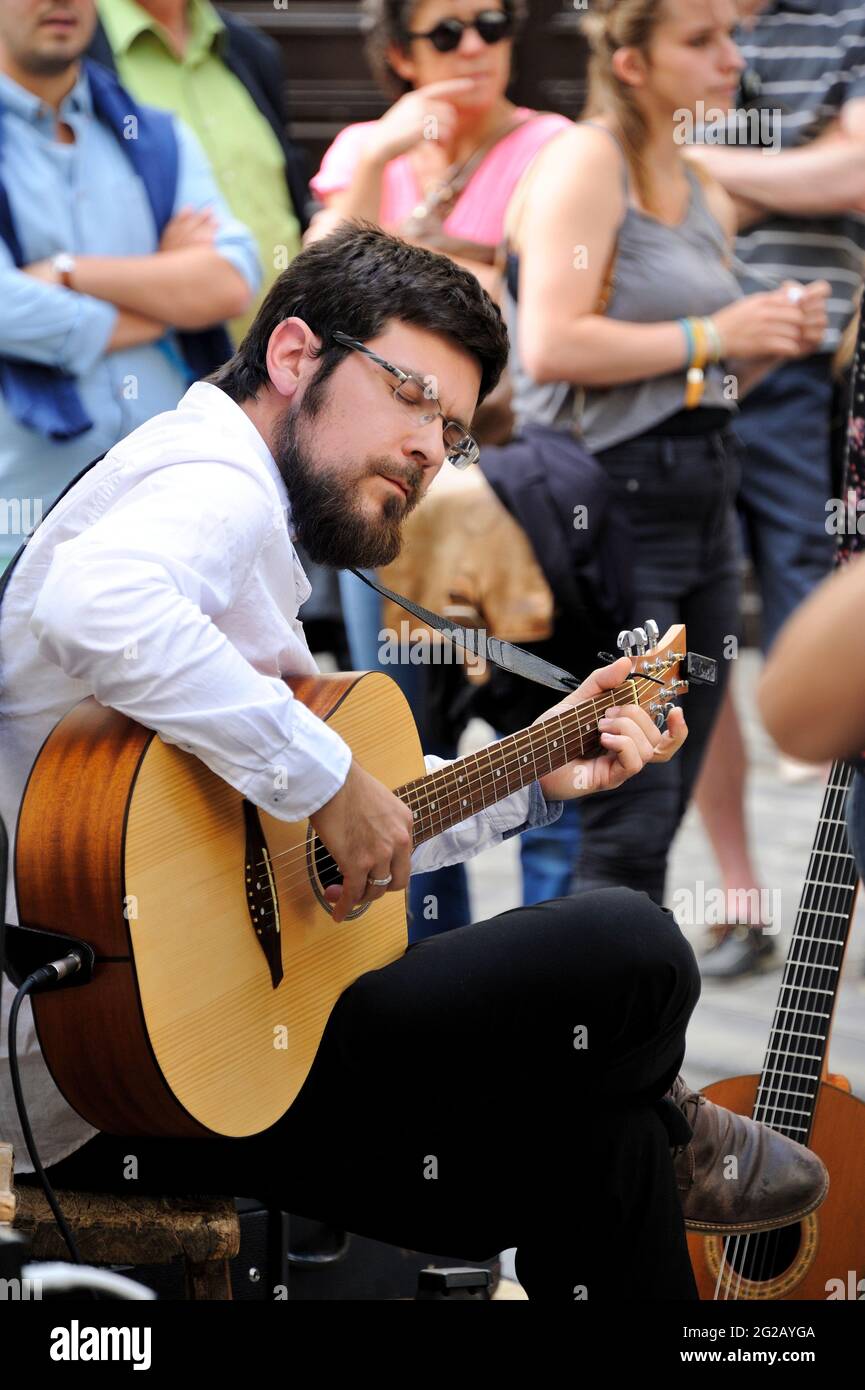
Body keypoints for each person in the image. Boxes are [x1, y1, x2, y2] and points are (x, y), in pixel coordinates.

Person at [1, 225, 827, 1300]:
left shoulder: (248, 527)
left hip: (186, 1065)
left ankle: (660, 1121)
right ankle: (677, 1111)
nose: (433, 450)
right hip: (95, 1067)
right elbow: (95, 604)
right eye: (411, 396)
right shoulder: (211, 478)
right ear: (294, 356)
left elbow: (319, 831)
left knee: (603, 1146)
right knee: (632, 946)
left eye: (454, 428)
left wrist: (539, 768)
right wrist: (327, 779)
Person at [504, 0, 828, 908]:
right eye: (700, 41)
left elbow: (695, 381)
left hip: (702, 495)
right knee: (629, 812)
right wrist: (715, 329)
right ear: (633, 62)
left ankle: (615, 1024)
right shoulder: (586, 159)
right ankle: (592, 1030)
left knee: (665, 790)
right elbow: (552, 346)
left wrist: (755, 347)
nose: (731, 58)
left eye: (730, 34)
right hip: (612, 506)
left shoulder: (694, 179)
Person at [306, 0, 577, 924]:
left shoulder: (549, 144)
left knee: (540, 730)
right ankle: (436, 950)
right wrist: (383, 156)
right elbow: (308, 301)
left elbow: (525, 316)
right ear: (395, 51)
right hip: (390, 489)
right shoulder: (364, 149)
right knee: (400, 739)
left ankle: (550, 974)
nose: (472, 48)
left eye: (491, 24)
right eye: (443, 31)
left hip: (517, 490)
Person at [687, 0, 865, 977]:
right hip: (667, 370)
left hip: (809, 365)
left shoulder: (841, 20)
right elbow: (631, 182)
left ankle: (848, 900)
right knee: (693, 636)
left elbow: (856, 173)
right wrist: (777, 176)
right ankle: (738, 904)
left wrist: (710, 172)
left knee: (824, 651)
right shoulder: (666, 18)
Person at [0, 0, 260, 572]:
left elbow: (231, 278)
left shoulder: (152, 133)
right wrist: (164, 296)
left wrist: (69, 272)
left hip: (167, 516)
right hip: (17, 521)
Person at [87, 0, 313, 343]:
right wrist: (162, 276)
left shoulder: (251, 49)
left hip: (284, 371)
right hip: (160, 370)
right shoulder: (70, 52)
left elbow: (289, 202)